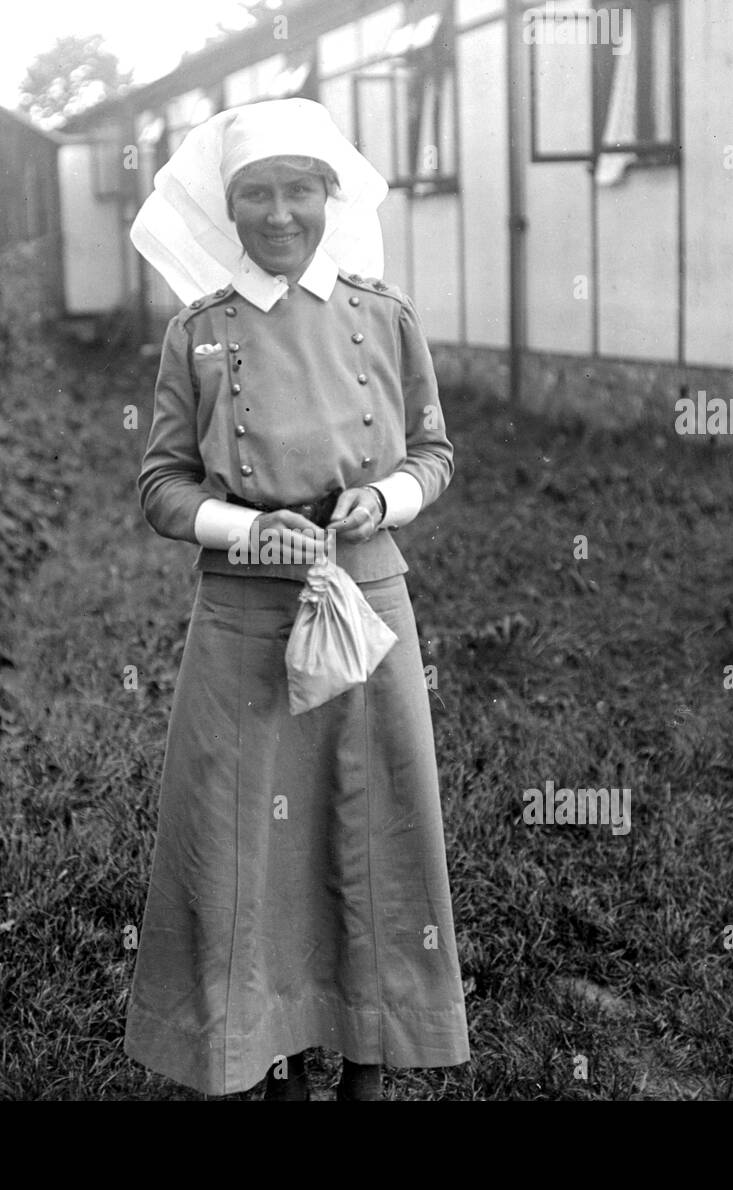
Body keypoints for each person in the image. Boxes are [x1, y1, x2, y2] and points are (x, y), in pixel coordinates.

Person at [125, 97, 469, 1101]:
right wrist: (241, 527)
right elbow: (161, 485)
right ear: (225, 207)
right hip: (244, 621)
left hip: (366, 610)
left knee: (374, 830)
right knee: (248, 848)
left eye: (298, 189)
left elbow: (433, 450)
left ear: (332, 193)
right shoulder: (197, 333)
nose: (280, 214)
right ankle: (266, 1058)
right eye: (255, 194)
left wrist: (387, 495)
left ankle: (370, 1058)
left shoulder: (383, 315)